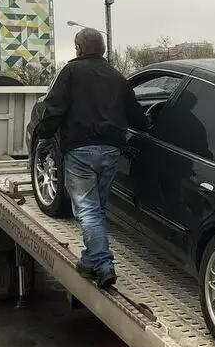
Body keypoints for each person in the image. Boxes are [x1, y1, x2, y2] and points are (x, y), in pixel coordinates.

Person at [39, 28, 148, 288]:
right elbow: (136, 114)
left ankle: (103, 264)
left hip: (80, 152)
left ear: (78, 48)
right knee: (96, 209)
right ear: (103, 50)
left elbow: (54, 108)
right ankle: (88, 262)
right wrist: (148, 123)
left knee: (87, 211)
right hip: (111, 150)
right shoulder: (117, 77)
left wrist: (45, 134)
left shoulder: (70, 72)